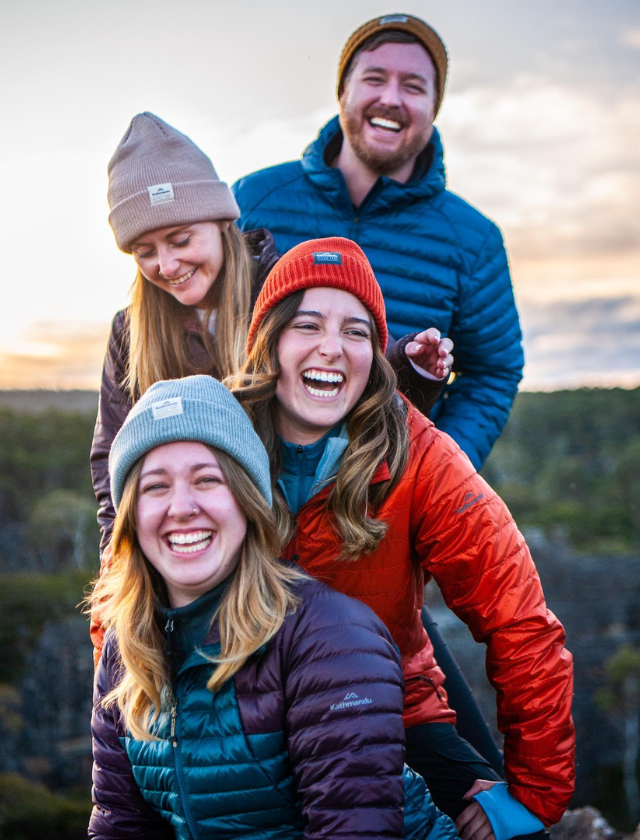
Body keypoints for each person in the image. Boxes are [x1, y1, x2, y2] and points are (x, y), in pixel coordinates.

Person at [227, 237, 575, 839]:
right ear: (270, 339)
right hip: (234, 714)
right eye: (307, 323)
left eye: (356, 332)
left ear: (375, 355)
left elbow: (519, 621)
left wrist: (535, 797)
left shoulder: (422, 456)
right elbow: (128, 587)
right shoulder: (213, 435)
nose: (331, 349)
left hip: (388, 709)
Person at [88, 375, 458, 840]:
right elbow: (120, 826)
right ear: (129, 519)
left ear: (249, 502)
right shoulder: (125, 654)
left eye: (208, 479)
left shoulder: (330, 642)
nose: (181, 507)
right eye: (155, 487)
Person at [91, 111, 454, 556]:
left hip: (293, 540)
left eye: (181, 240)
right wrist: (119, 558)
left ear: (222, 221)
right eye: (144, 252)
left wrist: (410, 367)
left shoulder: (283, 289)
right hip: (192, 549)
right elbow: (113, 455)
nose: (166, 266)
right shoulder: (130, 330)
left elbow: (350, 389)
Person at [233, 12, 524, 472]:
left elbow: (492, 371)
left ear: (434, 107)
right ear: (343, 91)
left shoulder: (474, 239)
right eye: (374, 78)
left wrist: (433, 472)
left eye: (413, 85)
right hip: (253, 490)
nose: (390, 99)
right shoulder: (254, 199)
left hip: (385, 507)